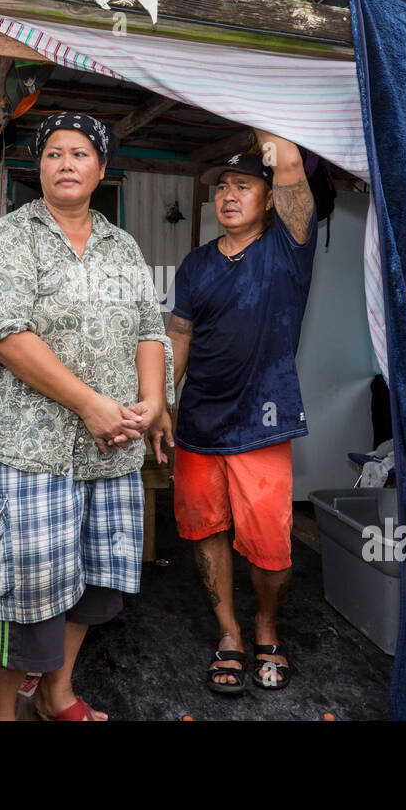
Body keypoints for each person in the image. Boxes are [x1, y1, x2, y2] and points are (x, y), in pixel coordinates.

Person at [0, 111, 174, 721]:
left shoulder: (122, 245)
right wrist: (88, 404)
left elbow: (150, 329)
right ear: (40, 168)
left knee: (97, 577)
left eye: (80, 154)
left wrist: (155, 402)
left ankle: (56, 693)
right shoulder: (14, 235)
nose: (66, 164)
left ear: (101, 170)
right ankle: (1, 709)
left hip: (114, 449)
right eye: (54, 154)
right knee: (26, 588)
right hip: (35, 446)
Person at [152, 128, 316, 695]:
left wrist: (251, 101)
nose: (228, 194)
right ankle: (230, 634)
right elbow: (179, 339)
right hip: (199, 423)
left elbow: (290, 161)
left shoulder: (289, 246)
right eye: (221, 186)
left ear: (268, 199)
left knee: (271, 548)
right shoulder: (195, 265)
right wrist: (163, 407)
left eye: (242, 185)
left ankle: (266, 624)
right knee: (204, 529)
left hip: (263, 424)